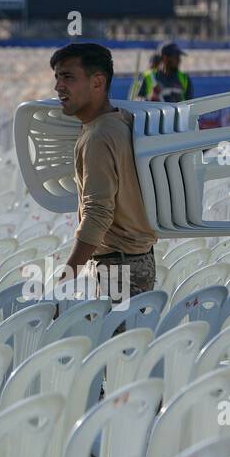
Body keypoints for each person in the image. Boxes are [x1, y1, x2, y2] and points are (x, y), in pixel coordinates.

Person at [50, 42, 157, 304]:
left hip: (119, 271)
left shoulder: (99, 136)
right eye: (57, 78)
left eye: (68, 77)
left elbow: (98, 215)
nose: (58, 87)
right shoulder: (123, 121)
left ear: (97, 82)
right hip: (138, 261)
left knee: (116, 345)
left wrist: (63, 282)